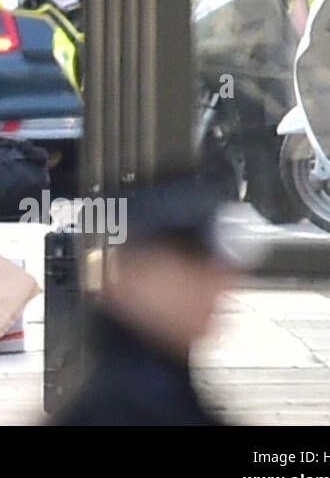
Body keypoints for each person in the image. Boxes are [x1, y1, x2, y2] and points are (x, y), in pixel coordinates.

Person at [50, 178, 241, 426]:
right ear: (124, 276)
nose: (217, 284)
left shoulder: (152, 383)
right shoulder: (130, 404)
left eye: (214, 266)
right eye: (189, 265)